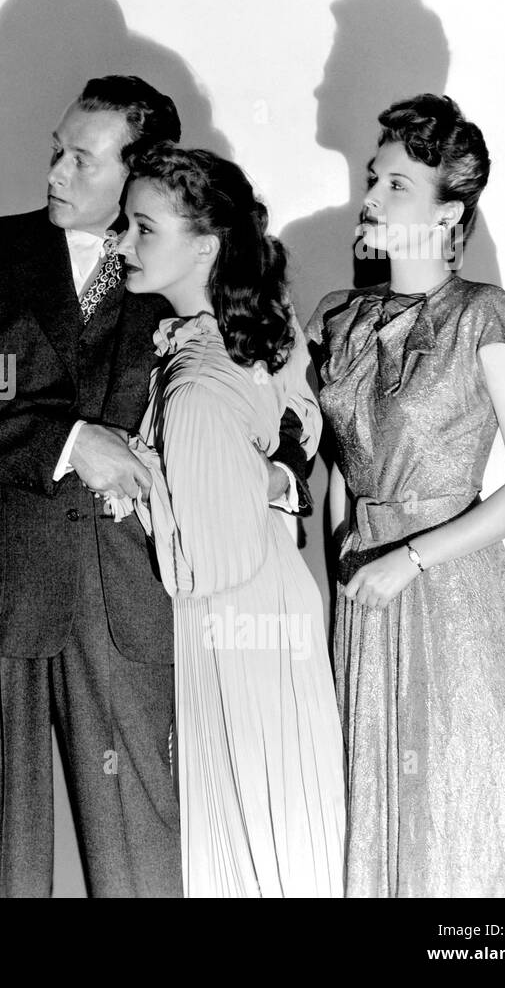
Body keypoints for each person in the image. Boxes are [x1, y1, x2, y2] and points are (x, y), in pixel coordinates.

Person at [0, 75, 316, 897]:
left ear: (139, 169)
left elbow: (285, 421)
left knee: (144, 872)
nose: (55, 172)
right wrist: (69, 440)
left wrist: (272, 479)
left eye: (81, 160)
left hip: (136, 609)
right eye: (56, 150)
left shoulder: (185, 273)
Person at [306, 94, 505, 897]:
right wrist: (346, 564)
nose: (370, 199)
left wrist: (409, 559)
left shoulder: (486, 315)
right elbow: (342, 467)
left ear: (449, 213)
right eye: (372, 179)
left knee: (455, 806)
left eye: (396, 186)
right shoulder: (341, 319)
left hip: (450, 590)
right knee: (370, 808)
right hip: (364, 595)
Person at [108, 144, 345, 896]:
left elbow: (207, 561)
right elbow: (287, 438)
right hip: (265, 607)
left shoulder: (197, 381)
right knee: (273, 836)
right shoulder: (247, 335)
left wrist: (141, 482)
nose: (122, 243)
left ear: (205, 245)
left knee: (254, 843)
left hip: (234, 619)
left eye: (144, 228)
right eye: (125, 225)